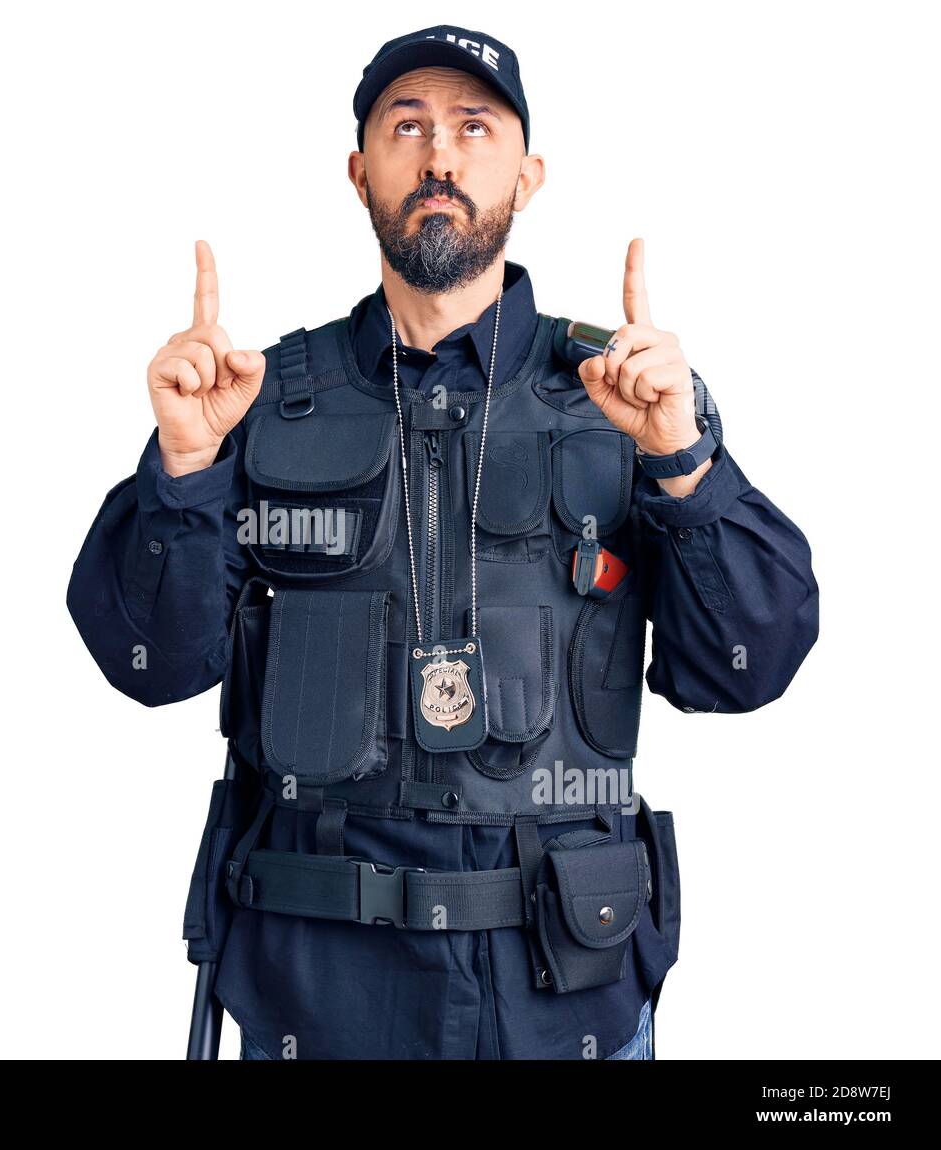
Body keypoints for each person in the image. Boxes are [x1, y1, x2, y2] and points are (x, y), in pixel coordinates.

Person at [65, 25, 818, 1059]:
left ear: (528, 170)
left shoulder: (629, 399)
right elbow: (148, 664)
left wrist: (682, 466)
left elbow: (748, 667)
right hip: (320, 1003)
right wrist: (186, 468)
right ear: (359, 169)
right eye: (405, 126)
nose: (440, 157)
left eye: (475, 126)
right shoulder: (258, 401)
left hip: (562, 1003)